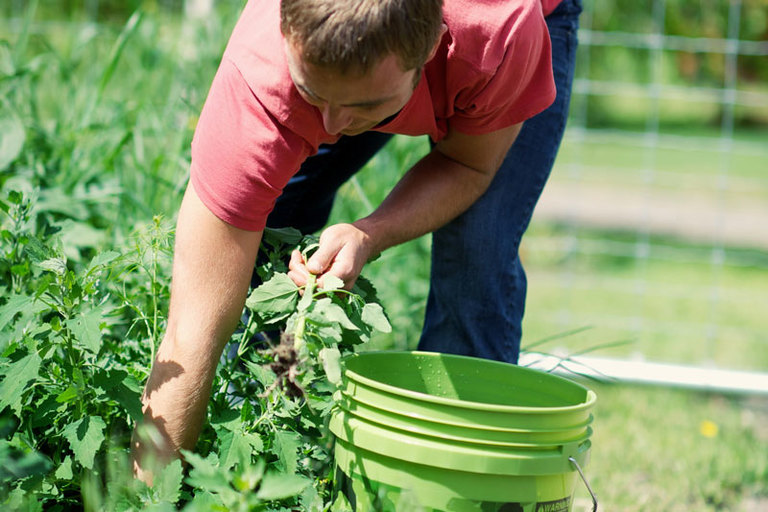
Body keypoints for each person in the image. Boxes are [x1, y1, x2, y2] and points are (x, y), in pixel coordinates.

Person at [132, 0, 582, 481]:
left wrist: (371, 233)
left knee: (478, 255)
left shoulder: (498, 34)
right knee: (276, 221)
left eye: (362, 106)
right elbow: (190, 330)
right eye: (312, 93)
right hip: (350, 71)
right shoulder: (260, 74)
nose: (329, 127)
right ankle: (265, 443)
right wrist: (142, 497)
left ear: (429, 50)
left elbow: (469, 164)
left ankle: (448, 483)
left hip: (501, 40)